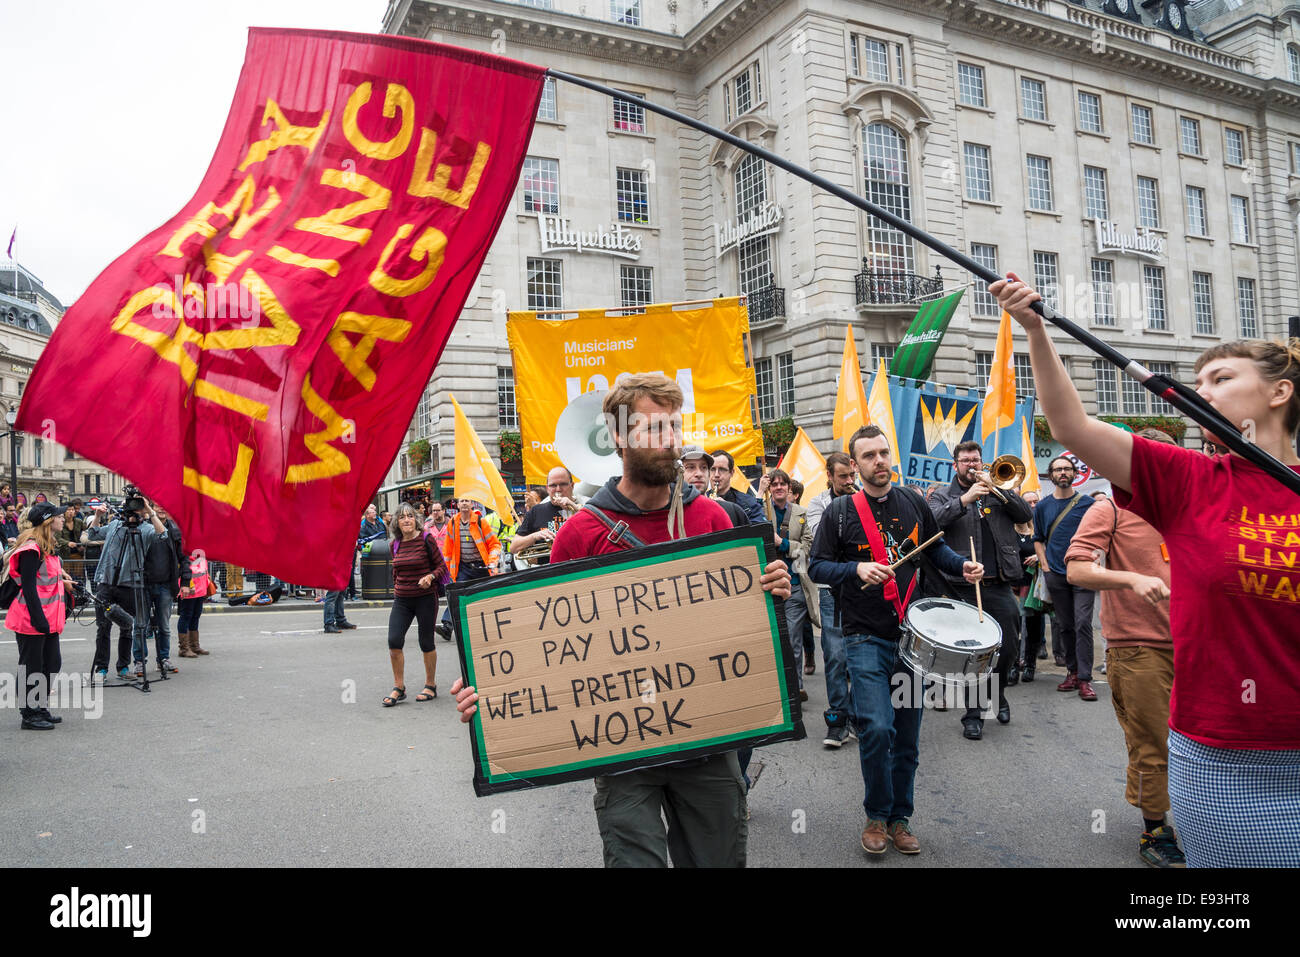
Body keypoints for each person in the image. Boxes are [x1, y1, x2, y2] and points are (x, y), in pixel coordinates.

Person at [994, 273, 1300, 867]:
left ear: (1279, 392)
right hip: (1221, 752)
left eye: (1221, 379)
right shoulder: (1190, 479)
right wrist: (1034, 329)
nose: (1201, 391)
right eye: (1197, 381)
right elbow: (1073, 429)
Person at [451, 373, 791, 868]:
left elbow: (741, 629)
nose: (670, 440)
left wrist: (770, 595)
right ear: (617, 437)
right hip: (623, 748)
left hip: (707, 741)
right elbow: (549, 644)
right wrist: (489, 686)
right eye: (653, 428)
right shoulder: (579, 535)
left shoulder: (715, 521)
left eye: (674, 426)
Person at [808, 425, 984, 856]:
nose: (879, 461)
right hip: (864, 636)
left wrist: (961, 566)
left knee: (906, 735)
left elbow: (934, 551)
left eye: (884, 452)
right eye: (869, 456)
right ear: (855, 465)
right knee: (876, 726)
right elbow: (817, 567)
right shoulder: (840, 512)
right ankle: (875, 814)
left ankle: (899, 818)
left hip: (911, 640)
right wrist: (855, 569)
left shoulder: (913, 501)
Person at [1064, 427, 1185, 868]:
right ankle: (1155, 829)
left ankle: (1201, 818)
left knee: (1204, 742)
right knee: (1152, 742)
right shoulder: (1109, 508)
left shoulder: (1189, 505)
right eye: (1157, 462)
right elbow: (1077, 570)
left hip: (1197, 645)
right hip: (1139, 648)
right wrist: (1131, 579)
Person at [928, 441, 1033, 739]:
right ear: (955, 465)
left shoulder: (996, 491)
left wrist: (1000, 490)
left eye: (975, 460)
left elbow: (1024, 513)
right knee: (973, 653)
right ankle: (973, 715)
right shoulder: (943, 495)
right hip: (962, 586)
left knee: (1009, 646)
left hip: (998, 582)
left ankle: (997, 693)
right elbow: (931, 523)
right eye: (965, 460)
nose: (971, 465)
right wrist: (964, 500)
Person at [805, 451, 860, 747]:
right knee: (836, 655)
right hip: (831, 589)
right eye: (843, 477)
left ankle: (857, 716)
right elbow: (823, 538)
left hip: (862, 588)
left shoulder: (864, 498)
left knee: (862, 655)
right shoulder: (818, 504)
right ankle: (838, 718)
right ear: (829, 476)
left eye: (852, 475)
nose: (849, 481)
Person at [1033, 456, 1098, 700]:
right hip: (1056, 574)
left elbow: (1100, 534)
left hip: (1083, 572)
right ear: (1051, 475)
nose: (1062, 472)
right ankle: (1072, 672)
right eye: (1058, 469)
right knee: (1065, 625)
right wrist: (1046, 567)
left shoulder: (1088, 504)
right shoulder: (1042, 506)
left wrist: (1096, 558)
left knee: (1083, 623)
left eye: (1067, 469)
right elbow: (1038, 539)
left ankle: (1085, 679)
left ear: (1074, 473)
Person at [83, 494, 168, 680]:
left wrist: (149, 510)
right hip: (106, 582)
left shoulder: (146, 529)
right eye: (131, 505)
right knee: (103, 627)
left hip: (130, 585)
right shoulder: (115, 525)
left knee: (127, 626)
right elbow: (92, 534)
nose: (133, 509)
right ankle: (101, 669)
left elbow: (163, 534)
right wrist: (97, 516)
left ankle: (123, 667)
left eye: (137, 506)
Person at [7, 502, 75, 730]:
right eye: (58, 516)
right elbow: (28, 587)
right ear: (48, 521)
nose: (62, 518)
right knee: (31, 666)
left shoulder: (48, 546)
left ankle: (40, 707)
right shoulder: (31, 548)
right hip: (31, 618)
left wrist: (64, 583)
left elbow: (45, 580)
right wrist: (39, 620)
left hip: (49, 617)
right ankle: (29, 714)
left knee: (52, 662)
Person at [756, 468, 819, 701]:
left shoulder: (802, 514)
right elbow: (747, 525)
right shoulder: (762, 510)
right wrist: (758, 493)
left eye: (783, 484)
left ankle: (795, 688)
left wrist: (782, 543)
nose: (779, 487)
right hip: (768, 585)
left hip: (794, 586)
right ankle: (773, 689)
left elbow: (808, 550)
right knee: (770, 640)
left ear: (789, 488)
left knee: (792, 638)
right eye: (774, 484)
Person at [382, 503, 450, 707]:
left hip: (425, 598)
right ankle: (399, 687)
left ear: (416, 519)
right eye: (402, 517)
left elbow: (441, 566)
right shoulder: (395, 544)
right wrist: (398, 586)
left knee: (426, 642)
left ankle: (430, 685)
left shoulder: (426, 539)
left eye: (410, 516)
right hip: (402, 599)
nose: (407, 520)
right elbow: (396, 570)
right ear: (397, 522)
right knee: (394, 641)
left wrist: (430, 577)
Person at [434, 498, 501, 640]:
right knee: (456, 595)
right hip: (463, 567)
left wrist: (493, 562)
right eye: (462, 501)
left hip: (481, 567)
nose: (464, 503)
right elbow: (448, 548)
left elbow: (494, 544)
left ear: (471, 504)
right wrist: (446, 571)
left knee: (484, 599)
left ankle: (490, 628)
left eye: (467, 501)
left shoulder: (481, 522)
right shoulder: (453, 522)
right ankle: (447, 627)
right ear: (458, 505)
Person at [138, 504, 186, 675]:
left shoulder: (174, 530)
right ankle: (139, 661)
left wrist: (185, 582)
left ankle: (163, 659)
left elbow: (184, 557)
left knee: (164, 627)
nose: (161, 509)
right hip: (143, 584)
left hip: (165, 585)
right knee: (140, 626)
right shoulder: (142, 528)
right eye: (157, 506)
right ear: (150, 508)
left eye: (164, 505)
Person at [511, 467, 578, 567]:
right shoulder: (536, 511)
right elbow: (514, 547)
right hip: (548, 571)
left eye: (563, 484)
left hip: (580, 568)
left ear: (572, 486)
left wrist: (574, 507)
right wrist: (535, 536)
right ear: (547, 488)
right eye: (553, 485)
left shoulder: (583, 507)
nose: (558, 489)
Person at [680, 447, 748, 528]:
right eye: (690, 467)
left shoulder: (732, 511)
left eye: (704, 467)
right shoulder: (669, 513)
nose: (699, 474)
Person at [708, 450, 766, 524]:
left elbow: (760, 528)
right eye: (712, 469)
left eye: (722, 469)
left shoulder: (749, 503)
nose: (716, 474)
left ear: (732, 473)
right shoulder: (701, 500)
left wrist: (730, 510)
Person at [175, 537, 210, 659]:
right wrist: (187, 584)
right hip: (189, 587)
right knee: (186, 616)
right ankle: (184, 648)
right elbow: (182, 564)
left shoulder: (201, 542)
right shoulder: (183, 542)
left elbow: (203, 564)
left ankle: (194, 645)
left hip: (200, 587)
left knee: (195, 615)